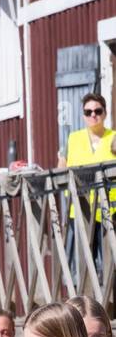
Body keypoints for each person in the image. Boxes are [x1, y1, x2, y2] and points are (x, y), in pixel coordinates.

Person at [57, 92, 116, 281]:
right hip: (80, 209)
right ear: (83, 115)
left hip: (109, 211)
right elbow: (61, 168)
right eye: (88, 111)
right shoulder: (73, 139)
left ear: (105, 114)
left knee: (109, 264)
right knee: (82, 265)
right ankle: (83, 305)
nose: (93, 115)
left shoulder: (114, 138)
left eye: (98, 111)